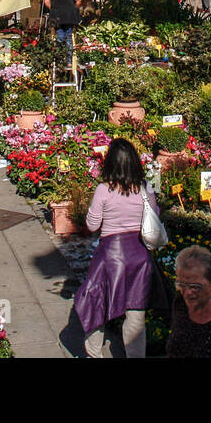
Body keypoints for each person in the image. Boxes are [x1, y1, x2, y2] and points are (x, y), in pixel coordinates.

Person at [73, 139, 158, 359]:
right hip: (139, 255)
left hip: (110, 255)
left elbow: (92, 225)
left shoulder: (104, 189)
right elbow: (154, 219)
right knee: (136, 313)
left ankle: (94, 354)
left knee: (96, 305)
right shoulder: (145, 188)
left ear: (110, 163)